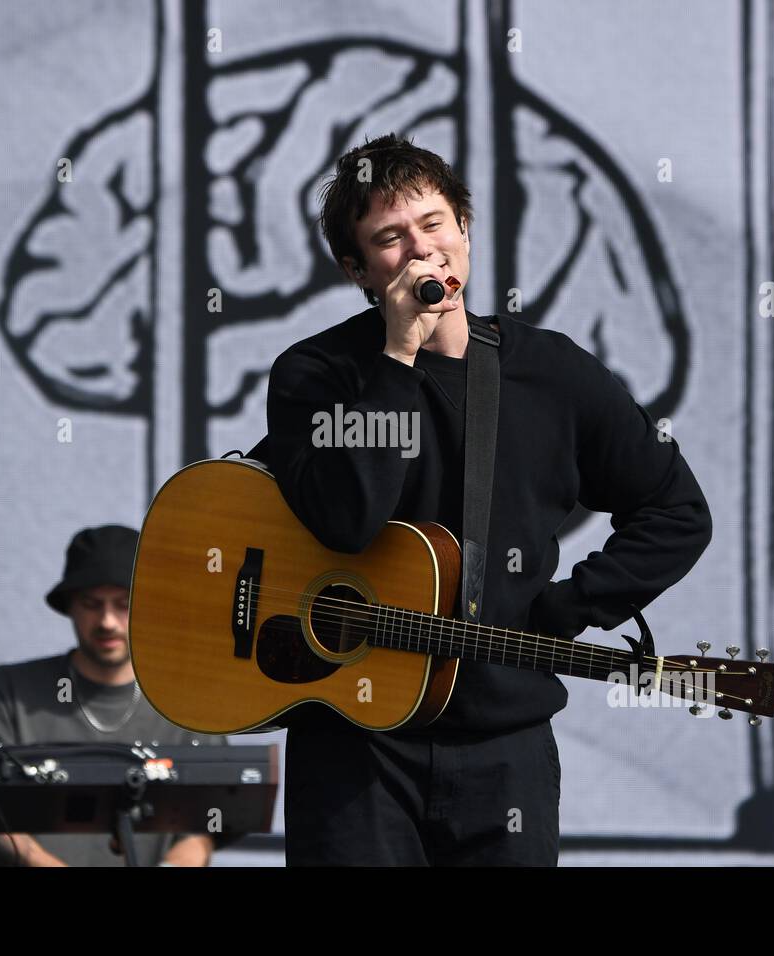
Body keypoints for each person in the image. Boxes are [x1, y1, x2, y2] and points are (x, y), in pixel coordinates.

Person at [263, 133, 713, 865]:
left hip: (505, 749)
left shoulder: (555, 374)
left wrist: (575, 604)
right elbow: (349, 521)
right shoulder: (317, 375)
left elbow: (676, 511)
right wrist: (398, 357)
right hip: (354, 748)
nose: (420, 251)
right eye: (389, 238)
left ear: (465, 230)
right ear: (357, 270)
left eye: (434, 223)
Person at [0, 524, 228, 866]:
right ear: (70, 607)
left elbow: (213, 815)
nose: (107, 621)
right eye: (92, 604)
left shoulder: (186, 703)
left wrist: (183, 859)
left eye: (124, 605)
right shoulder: (7, 692)